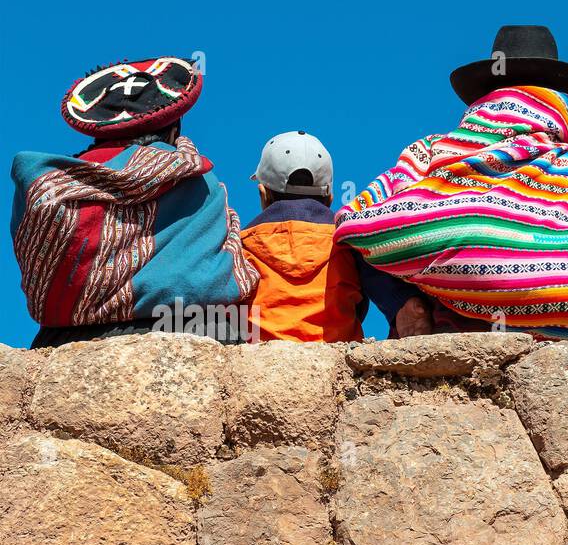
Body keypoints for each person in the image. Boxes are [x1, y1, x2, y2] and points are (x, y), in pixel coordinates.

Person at [335, 26, 568, 343]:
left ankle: (415, 307)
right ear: (560, 104)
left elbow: (357, 220)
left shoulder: (431, 153)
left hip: (447, 327)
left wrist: (398, 302)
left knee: (365, 229)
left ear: (485, 98)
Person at [10, 57, 257, 347]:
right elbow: (222, 269)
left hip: (64, 337)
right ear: (173, 129)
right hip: (190, 329)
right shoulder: (199, 180)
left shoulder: (44, 185)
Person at [241, 131, 365, 342]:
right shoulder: (351, 243)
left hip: (257, 355)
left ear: (263, 194)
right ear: (330, 199)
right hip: (337, 354)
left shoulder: (239, 246)